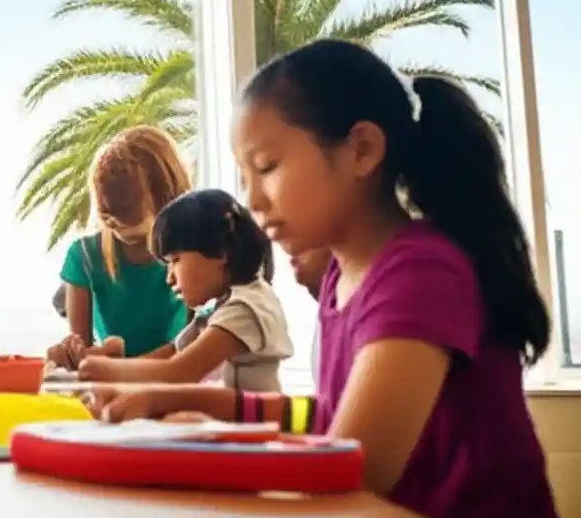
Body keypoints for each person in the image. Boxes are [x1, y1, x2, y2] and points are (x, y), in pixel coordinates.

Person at [91, 40, 557, 517]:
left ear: (361, 150)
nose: (251, 199)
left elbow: (349, 474)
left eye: (267, 167)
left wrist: (209, 451)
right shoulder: (342, 278)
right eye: (245, 176)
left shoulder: (420, 273)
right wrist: (198, 407)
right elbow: (327, 416)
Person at [78, 188, 293, 391]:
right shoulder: (221, 306)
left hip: (251, 426)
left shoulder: (245, 308)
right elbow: (172, 352)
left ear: (220, 252)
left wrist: (106, 370)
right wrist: (105, 366)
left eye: (176, 260)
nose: (169, 277)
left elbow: (178, 372)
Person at [45, 126, 191, 370]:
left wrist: (115, 364)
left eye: (138, 229)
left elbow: (189, 351)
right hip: (117, 383)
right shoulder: (84, 258)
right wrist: (70, 355)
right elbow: (83, 353)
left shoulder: (194, 255)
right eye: (111, 223)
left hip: (175, 385)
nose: (121, 230)